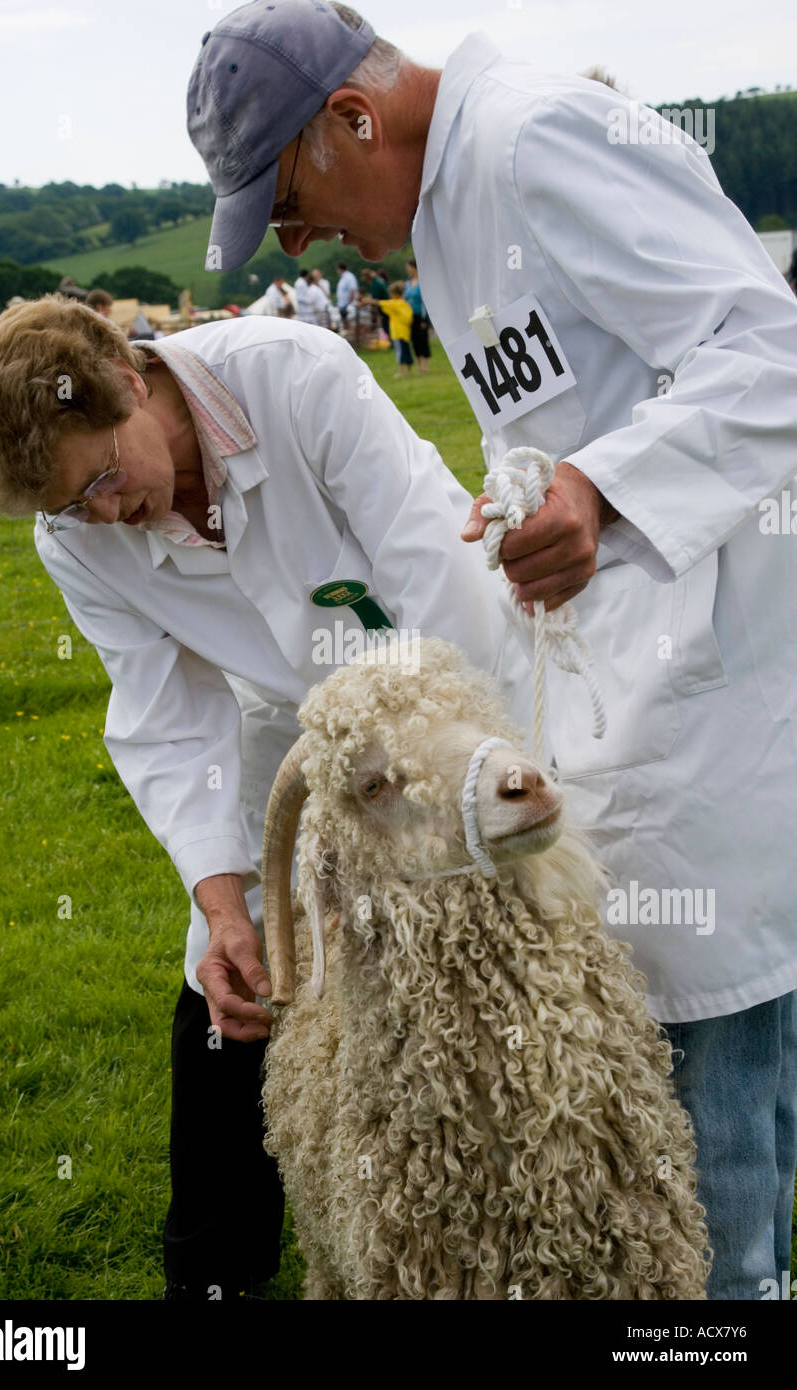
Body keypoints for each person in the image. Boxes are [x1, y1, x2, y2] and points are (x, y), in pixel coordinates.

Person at [185, 0, 797, 1299]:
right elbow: (573, 420)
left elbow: (769, 349)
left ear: (350, 119)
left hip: (713, 734)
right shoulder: (448, 225)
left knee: (709, 1211)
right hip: (612, 725)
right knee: (632, 1153)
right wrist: (530, 502)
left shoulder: (534, 139)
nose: (298, 244)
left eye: (287, 204)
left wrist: (604, 488)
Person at [0, 293, 507, 1300]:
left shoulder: (295, 377)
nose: (108, 517)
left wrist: (427, 775)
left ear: (130, 379)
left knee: (461, 966)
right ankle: (215, 1274)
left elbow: (436, 575)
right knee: (228, 988)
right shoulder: (75, 537)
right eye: (76, 507)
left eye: (105, 478)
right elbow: (163, 712)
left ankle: (475, 1228)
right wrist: (219, 904)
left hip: (438, 696)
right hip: (276, 733)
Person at [364, 280, 412, 375]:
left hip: (398, 333)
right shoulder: (403, 303)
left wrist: (369, 301)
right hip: (404, 332)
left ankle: (401, 372)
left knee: (400, 353)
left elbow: (382, 303)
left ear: (394, 294)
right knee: (406, 352)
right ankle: (408, 372)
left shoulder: (395, 303)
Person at [404, 257, 430, 373]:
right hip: (410, 316)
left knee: (423, 340)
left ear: (414, 268)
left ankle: (426, 366)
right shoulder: (407, 283)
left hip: (421, 316)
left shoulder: (422, 282)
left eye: (409, 268)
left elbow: (425, 301)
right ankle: (419, 365)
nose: (408, 270)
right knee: (414, 341)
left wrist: (425, 319)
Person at [334, 259, 358, 326]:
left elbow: (352, 290)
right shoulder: (343, 277)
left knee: (348, 323)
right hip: (343, 305)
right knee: (344, 322)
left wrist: (349, 304)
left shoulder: (349, 277)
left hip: (347, 305)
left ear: (339, 269)